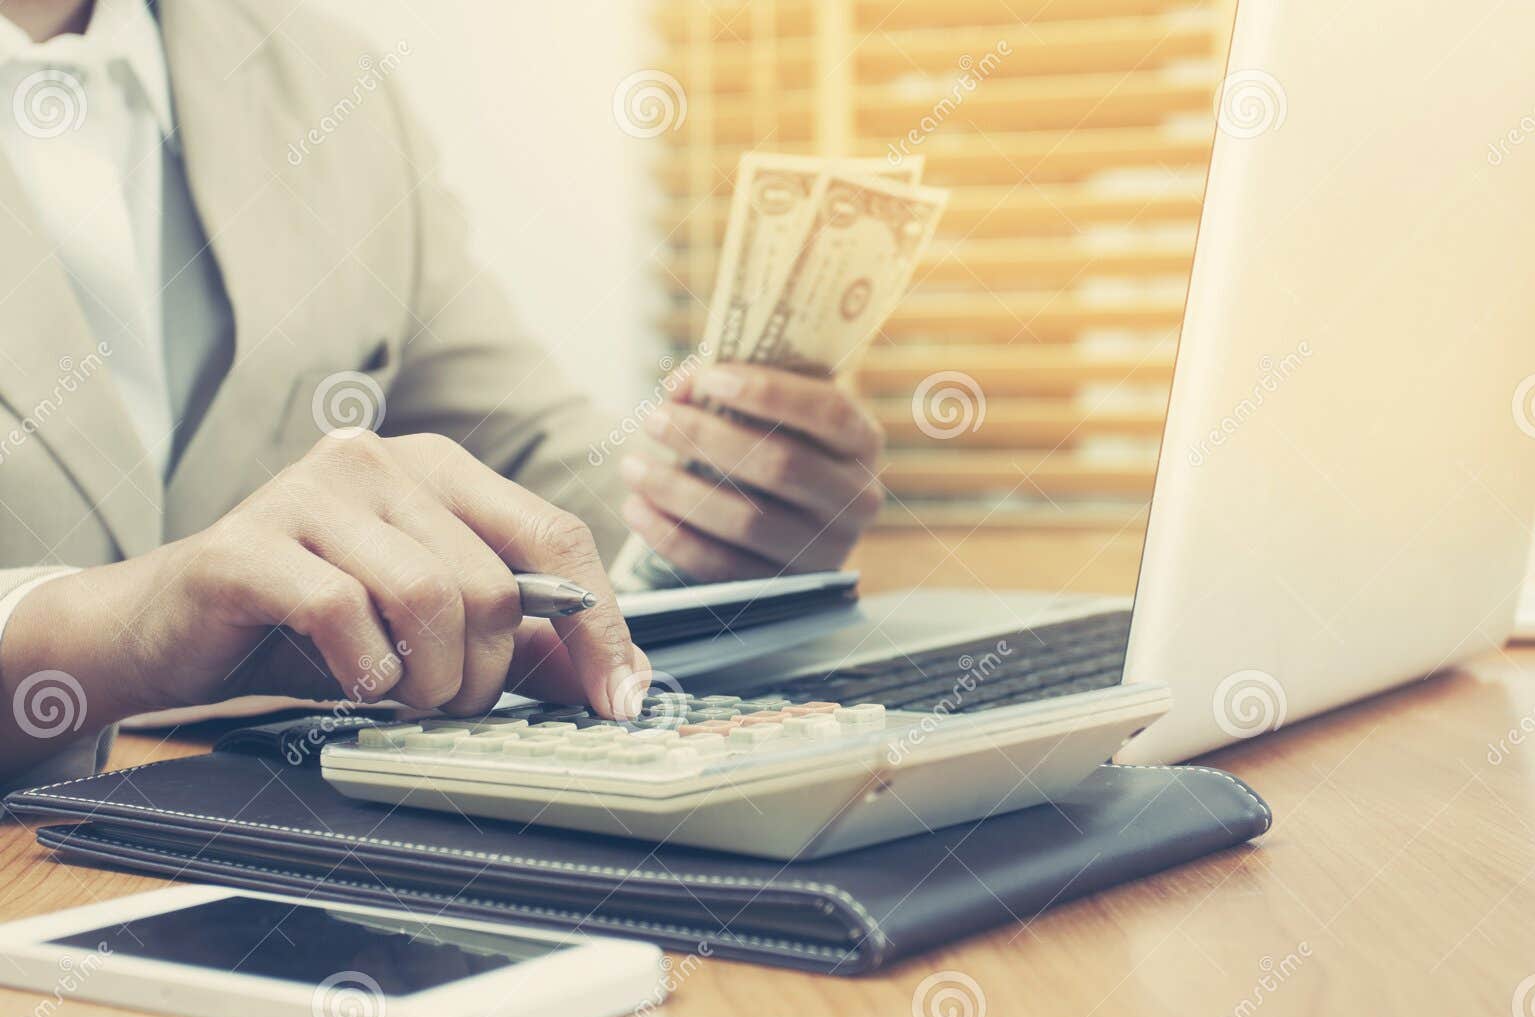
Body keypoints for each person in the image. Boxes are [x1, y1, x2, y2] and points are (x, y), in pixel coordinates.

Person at [0, 0, 886, 785]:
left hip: (301, 848)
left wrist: (722, 501)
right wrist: (122, 627)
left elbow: (539, 472)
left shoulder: (332, 84)